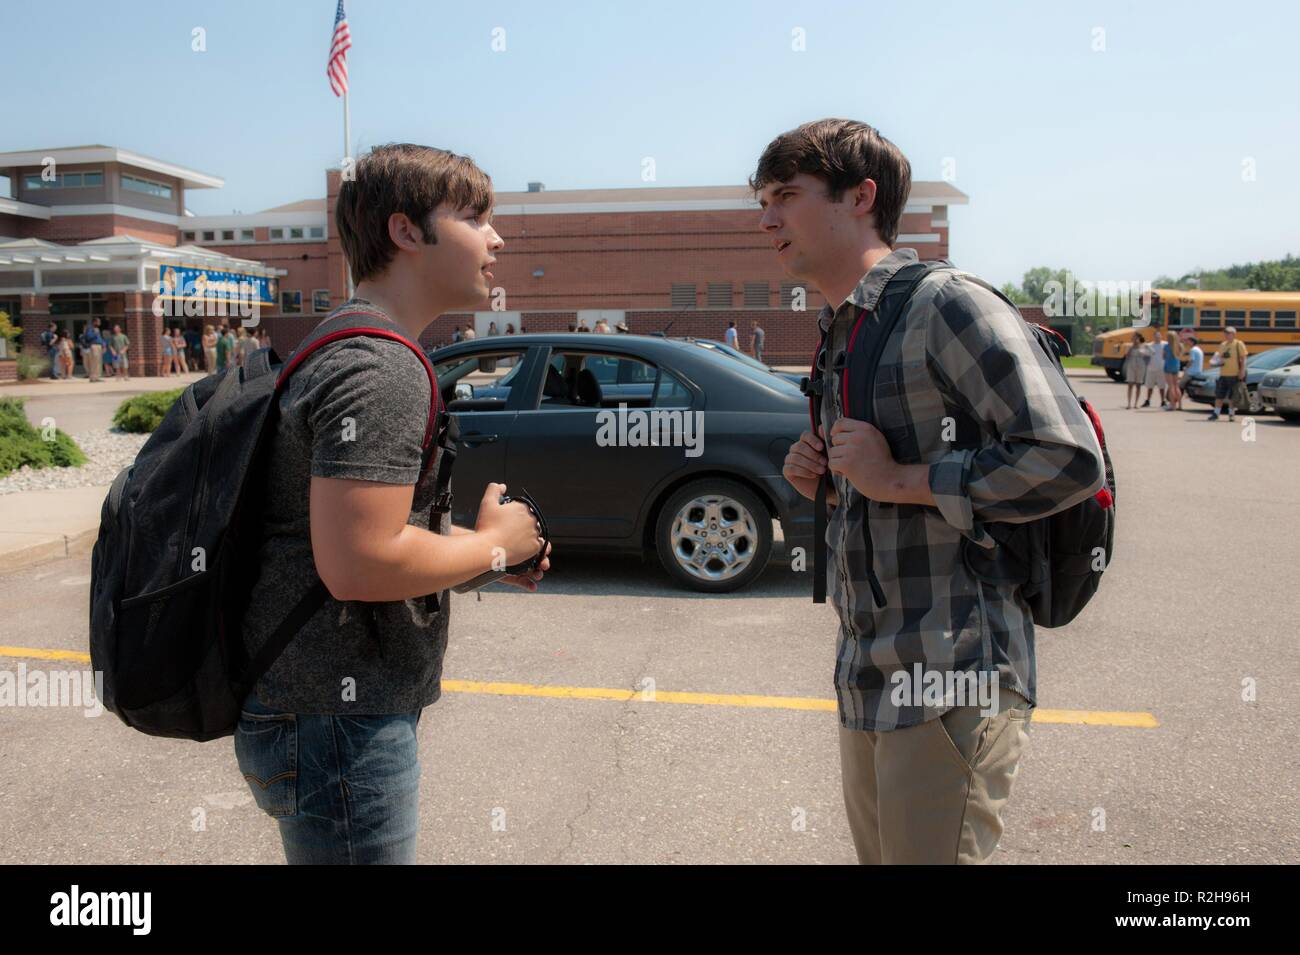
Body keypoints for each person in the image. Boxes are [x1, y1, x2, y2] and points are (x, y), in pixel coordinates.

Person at [767, 119, 1102, 865]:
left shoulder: (946, 304)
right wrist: (828, 482)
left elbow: (1066, 457)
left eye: (787, 195)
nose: (767, 218)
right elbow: (884, 496)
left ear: (861, 197)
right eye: (764, 201)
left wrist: (900, 478)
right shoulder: (842, 328)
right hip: (868, 676)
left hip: (953, 676)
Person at [232, 143, 550, 865]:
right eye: (475, 217)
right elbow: (360, 563)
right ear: (406, 230)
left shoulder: (347, 340)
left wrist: (478, 555)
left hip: (314, 708)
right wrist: (498, 543)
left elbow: (359, 532)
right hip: (338, 720)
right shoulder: (381, 366)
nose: (496, 239)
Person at [1208, 325, 1249, 422]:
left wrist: (1242, 371)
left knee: (1232, 396)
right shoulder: (1222, 345)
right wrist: (1215, 362)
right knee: (1219, 395)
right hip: (1223, 374)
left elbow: (1243, 358)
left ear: (1234, 334)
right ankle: (1216, 413)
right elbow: (1219, 357)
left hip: (1234, 374)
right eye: (1225, 333)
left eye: (1229, 333)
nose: (1226, 335)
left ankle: (1231, 414)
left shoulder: (1238, 344)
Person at [1141, 328, 1167, 407]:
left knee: (1162, 386)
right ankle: (1148, 400)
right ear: (1153, 337)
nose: (1157, 337)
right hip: (1151, 368)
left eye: (1159, 336)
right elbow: (1144, 355)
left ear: (1161, 336)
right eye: (1156, 336)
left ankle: (1163, 401)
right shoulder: (1149, 345)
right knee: (1149, 386)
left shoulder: (1165, 344)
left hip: (1161, 368)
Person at [1176, 335, 1203, 412]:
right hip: (1198, 371)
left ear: (1192, 342)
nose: (1187, 342)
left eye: (1188, 341)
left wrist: (1186, 368)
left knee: (1179, 386)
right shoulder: (1199, 349)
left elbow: (1191, 361)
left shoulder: (1193, 350)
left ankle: (1178, 404)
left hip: (1191, 372)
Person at [1121, 331, 1146, 409]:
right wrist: (1132, 347)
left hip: (1140, 366)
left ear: (1139, 338)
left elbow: (1146, 354)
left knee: (1138, 385)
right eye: (1133, 337)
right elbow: (1126, 355)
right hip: (1131, 365)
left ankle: (1136, 403)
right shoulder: (1129, 346)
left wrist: (1139, 346)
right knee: (1130, 384)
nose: (1134, 339)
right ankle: (1129, 403)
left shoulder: (1143, 346)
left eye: (1136, 337)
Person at [1162, 329, 1182, 410]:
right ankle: (1180, 405)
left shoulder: (1166, 346)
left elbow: (1163, 356)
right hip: (1176, 367)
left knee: (1171, 386)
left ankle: (1172, 405)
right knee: (1176, 386)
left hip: (1168, 366)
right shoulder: (1179, 346)